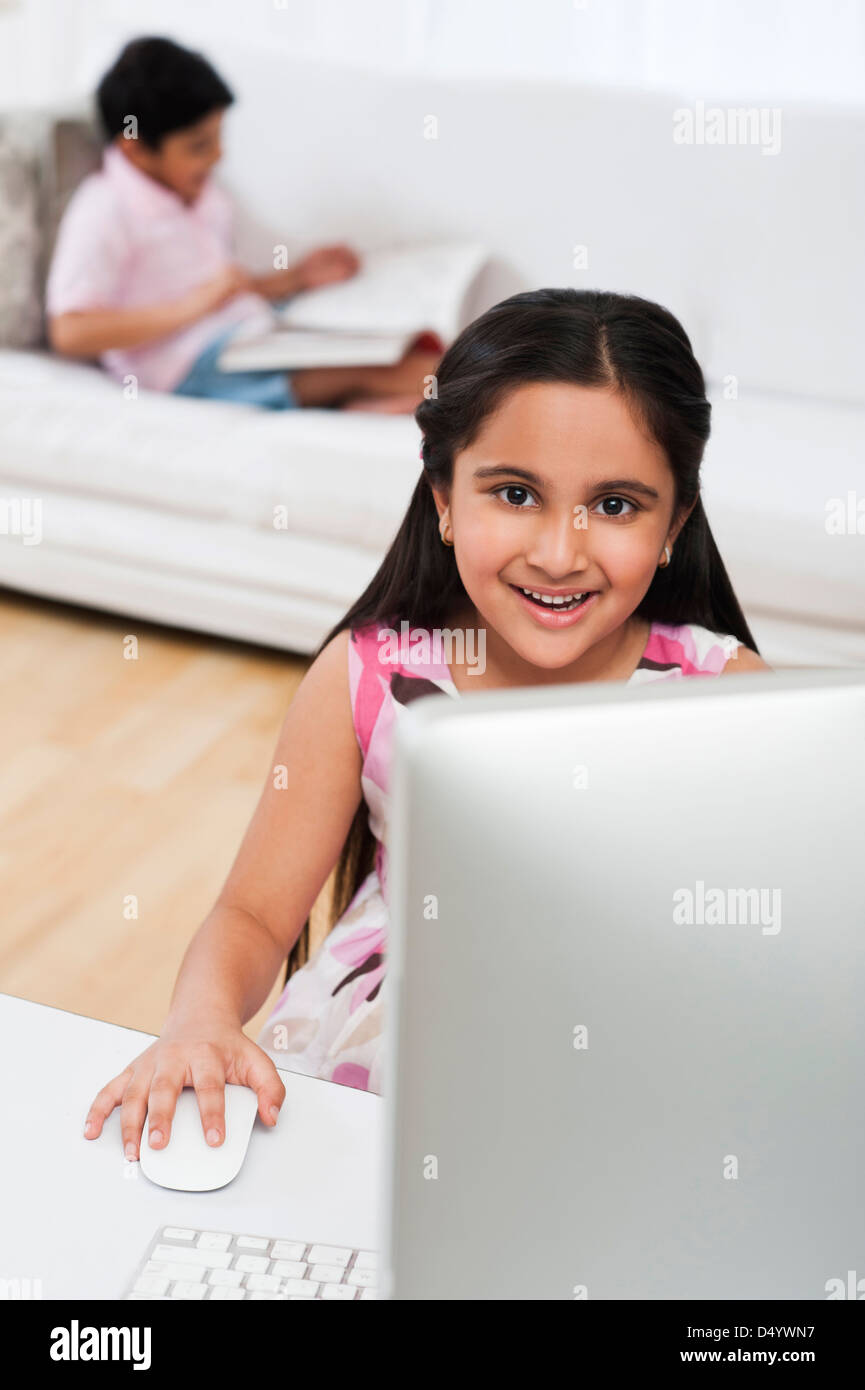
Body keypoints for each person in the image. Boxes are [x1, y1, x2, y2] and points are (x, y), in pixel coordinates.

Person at [84, 287, 772, 1158]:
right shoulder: (367, 676)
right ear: (443, 495)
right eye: (515, 493)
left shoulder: (723, 695)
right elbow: (255, 916)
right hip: (367, 1077)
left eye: (614, 506)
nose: (559, 552)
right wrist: (198, 1019)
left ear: (674, 520)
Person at [45, 36, 440, 413]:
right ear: (135, 148)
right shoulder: (104, 209)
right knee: (420, 373)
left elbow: (221, 290)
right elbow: (71, 332)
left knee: (430, 351)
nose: (217, 156)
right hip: (185, 364)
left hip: (246, 336)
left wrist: (297, 278)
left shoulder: (201, 192)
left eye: (218, 138)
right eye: (199, 146)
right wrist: (190, 308)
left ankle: (359, 404)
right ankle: (373, 399)